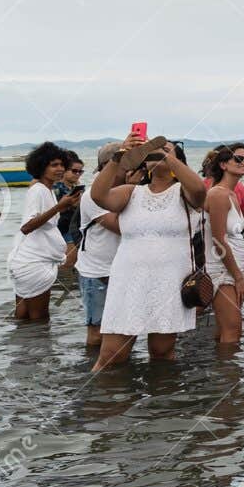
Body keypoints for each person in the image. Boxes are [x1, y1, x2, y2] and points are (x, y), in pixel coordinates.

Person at [89, 135, 208, 369]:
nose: (156, 152)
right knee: (111, 355)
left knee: (161, 353)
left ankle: (163, 402)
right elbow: (99, 196)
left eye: (165, 149)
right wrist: (119, 157)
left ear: (179, 161)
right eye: (151, 151)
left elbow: (199, 189)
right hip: (128, 281)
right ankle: (102, 403)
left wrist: (168, 157)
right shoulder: (131, 193)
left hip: (169, 281)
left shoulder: (185, 194)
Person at [6, 141, 78, 321]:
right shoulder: (38, 191)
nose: (60, 168)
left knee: (22, 316)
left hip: (28, 260)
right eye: (54, 165)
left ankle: (21, 348)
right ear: (41, 166)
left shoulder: (48, 190)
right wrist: (59, 207)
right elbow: (27, 226)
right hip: (33, 263)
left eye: (62, 164)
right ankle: (42, 349)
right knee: (40, 318)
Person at [75, 143, 131, 350]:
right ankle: (94, 374)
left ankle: (116, 371)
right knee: (97, 332)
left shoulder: (131, 191)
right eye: (128, 162)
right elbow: (120, 227)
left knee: (123, 328)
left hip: (122, 270)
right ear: (110, 165)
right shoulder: (92, 195)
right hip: (97, 271)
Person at [203, 143, 244, 346]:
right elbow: (218, 240)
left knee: (230, 330)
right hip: (222, 271)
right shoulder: (218, 194)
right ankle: (228, 376)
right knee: (231, 333)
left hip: (235, 269)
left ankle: (226, 375)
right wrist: (238, 277)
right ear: (223, 164)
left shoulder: (233, 194)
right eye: (239, 159)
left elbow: (236, 238)